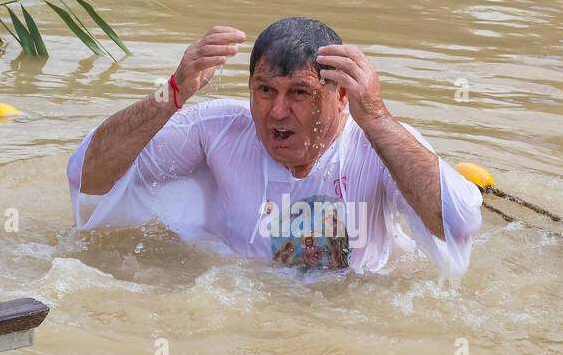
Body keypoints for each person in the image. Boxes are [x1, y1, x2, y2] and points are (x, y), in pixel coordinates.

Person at [66, 17, 483, 274]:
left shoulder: (378, 139)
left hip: (353, 307)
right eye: (264, 90)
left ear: (341, 97)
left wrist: (375, 116)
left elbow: (459, 223)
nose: (277, 111)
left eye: (300, 93)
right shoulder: (217, 128)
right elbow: (89, 176)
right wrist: (171, 94)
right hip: (239, 295)